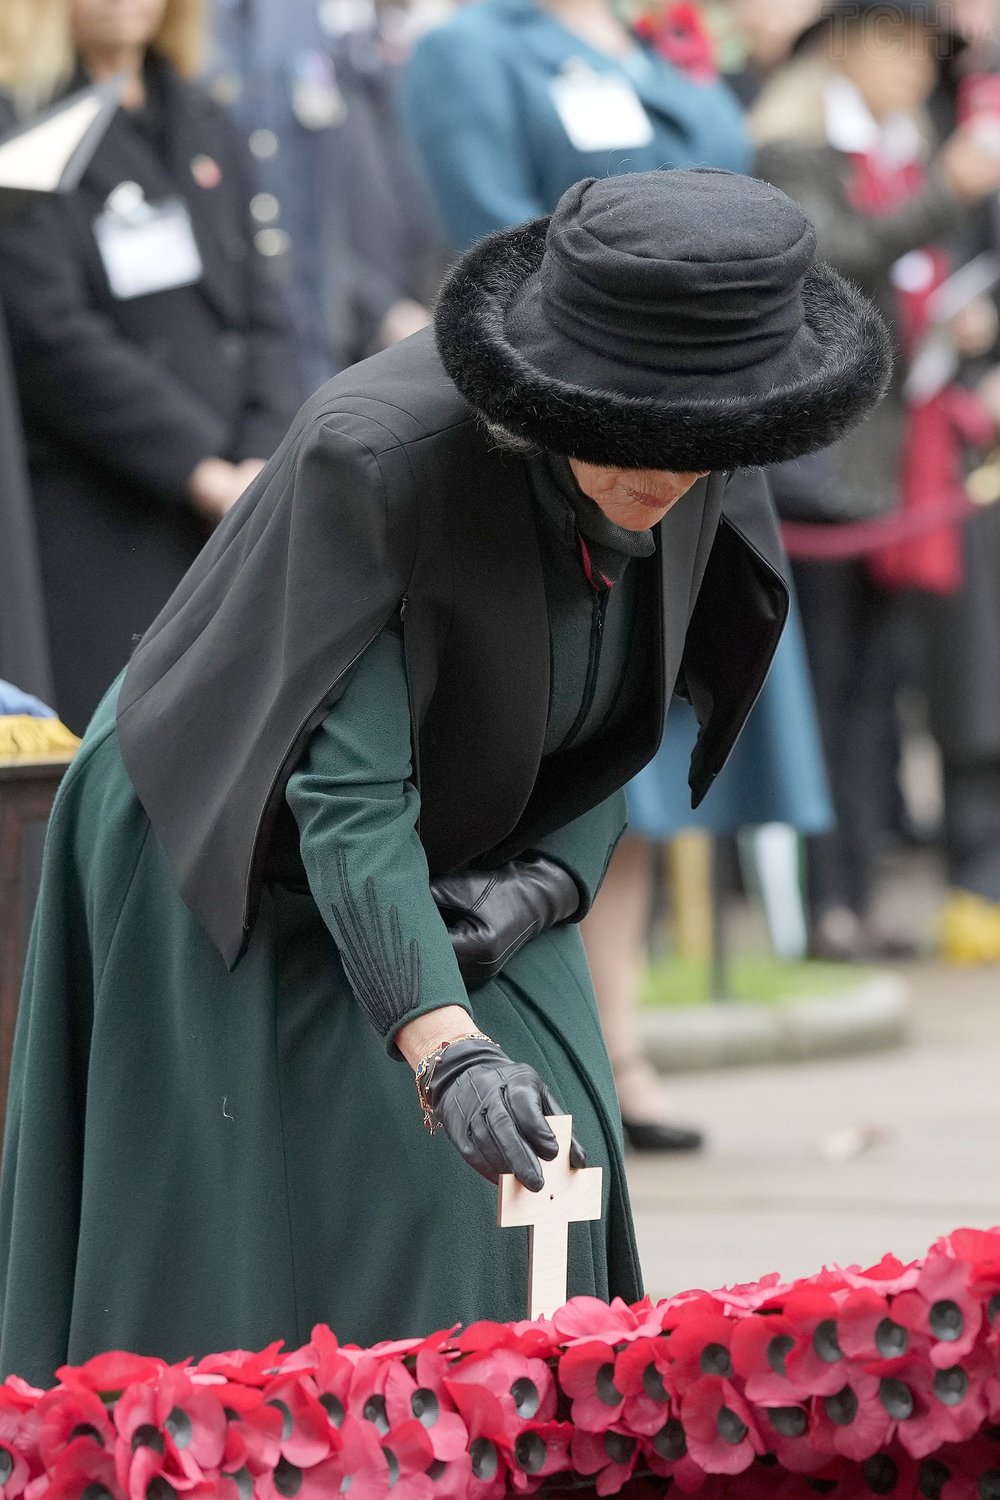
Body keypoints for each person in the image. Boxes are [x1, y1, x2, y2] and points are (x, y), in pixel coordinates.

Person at [0, 168, 889, 1382]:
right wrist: (447, 1049)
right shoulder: (381, 460)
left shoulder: (707, 443)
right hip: (229, 818)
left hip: (482, 827)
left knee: (563, 1162)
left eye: (699, 443)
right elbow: (344, 798)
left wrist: (547, 890)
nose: (664, 478)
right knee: (383, 1217)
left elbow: (616, 713)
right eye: (634, 432)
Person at [400, 0, 832, 1153]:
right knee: (537, 757)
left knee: (628, 766)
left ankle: (616, 1059)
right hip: (555, 440)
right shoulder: (473, 49)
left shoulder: (661, 55)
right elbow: (492, 242)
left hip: (699, 438)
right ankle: (507, 1059)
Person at [752, 0, 1000, 959]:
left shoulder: (905, 148)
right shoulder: (798, 147)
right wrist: (943, 192)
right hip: (822, 469)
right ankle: (822, 905)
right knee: (820, 688)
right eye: (900, 45)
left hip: (893, 464)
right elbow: (836, 257)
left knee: (871, 698)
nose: (915, 68)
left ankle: (855, 899)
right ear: (850, 47)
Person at [0, 0, 305, 735]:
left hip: (238, 503)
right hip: (104, 515)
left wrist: (265, 460)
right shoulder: (22, 133)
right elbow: (52, 335)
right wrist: (203, 473)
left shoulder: (202, 111)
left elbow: (267, 303)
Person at [207, 0, 445, 386]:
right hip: (316, 320)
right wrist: (376, 304)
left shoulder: (340, 22)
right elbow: (285, 199)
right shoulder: (250, 24)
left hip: (398, 296)